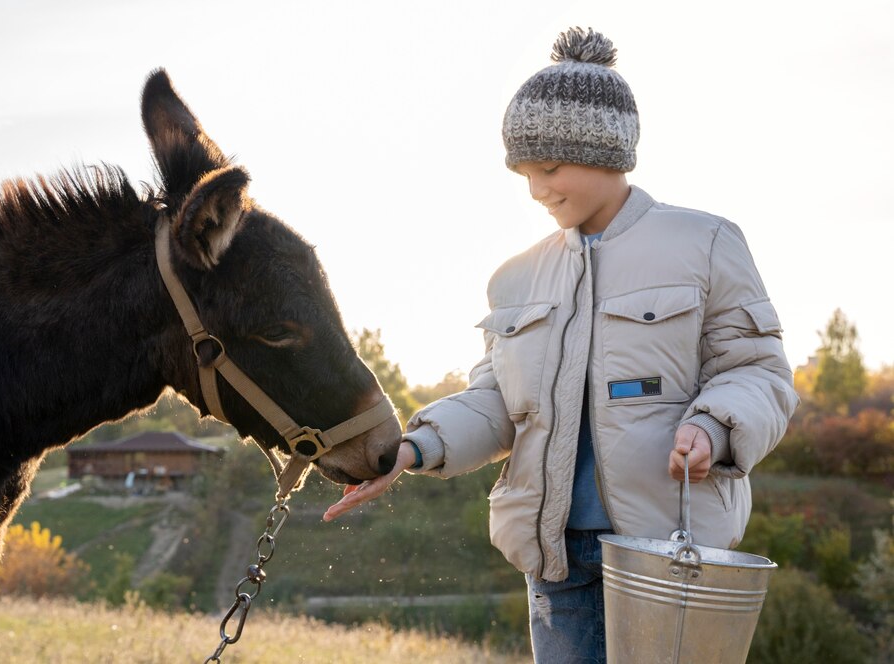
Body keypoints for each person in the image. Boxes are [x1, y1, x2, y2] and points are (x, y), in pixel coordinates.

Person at [324, 26, 798, 663]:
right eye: (524, 173)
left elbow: (758, 372)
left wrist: (714, 426)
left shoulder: (706, 244)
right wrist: (413, 447)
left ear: (607, 152)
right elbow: (495, 404)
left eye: (549, 168)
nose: (536, 189)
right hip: (555, 558)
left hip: (667, 552)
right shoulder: (515, 277)